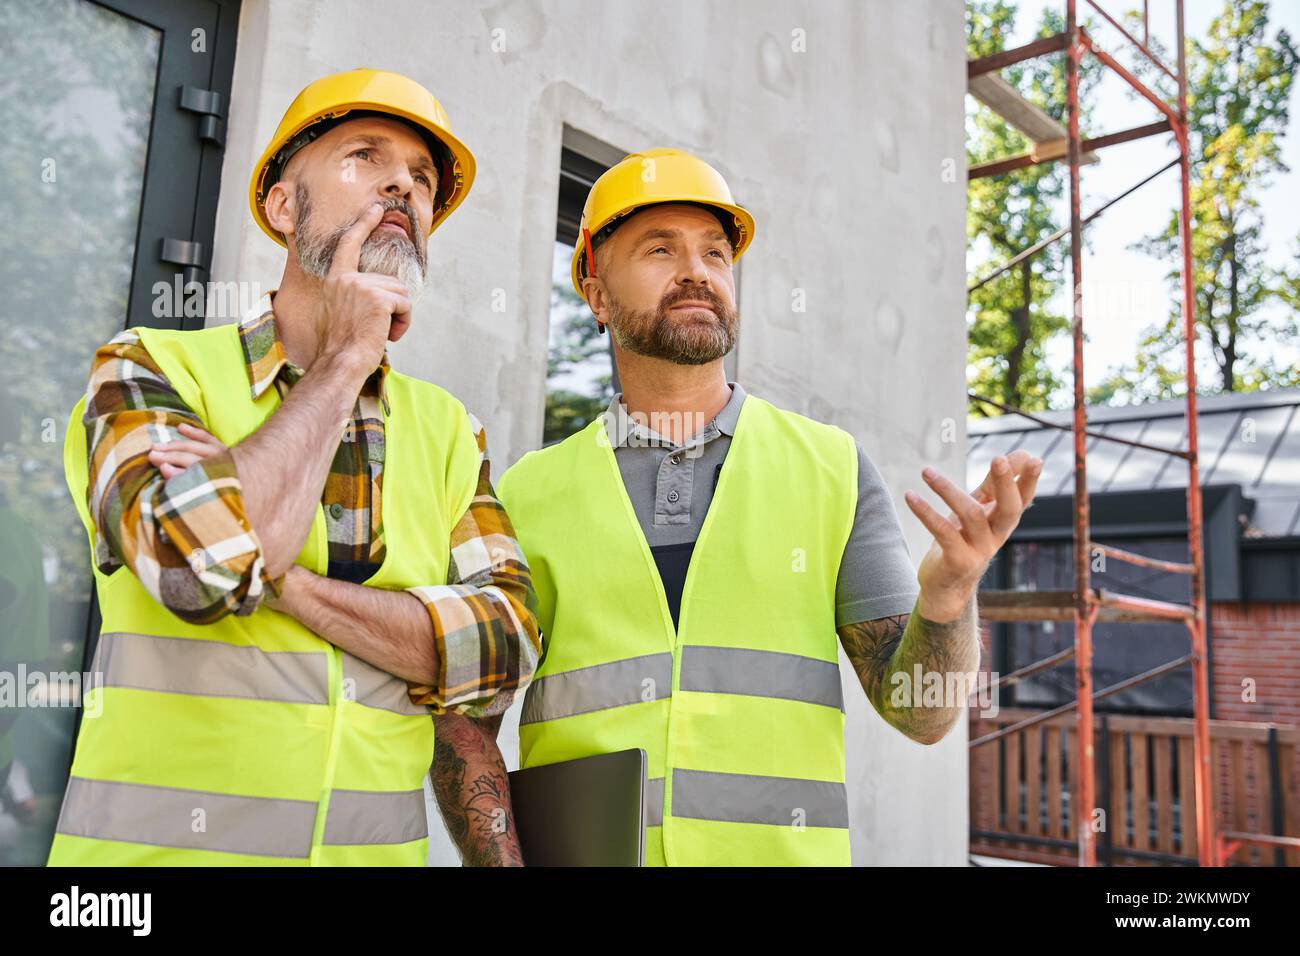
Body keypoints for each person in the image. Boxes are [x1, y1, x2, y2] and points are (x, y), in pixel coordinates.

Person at [467, 147, 1041, 866]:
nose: (697, 271)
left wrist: (950, 596)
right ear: (594, 287)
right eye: (659, 249)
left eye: (716, 252)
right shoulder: (524, 493)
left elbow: (921, 714)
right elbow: (469, 722)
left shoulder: (830, 468)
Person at [47, 69, 540, 866]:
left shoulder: (452, 431)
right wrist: (345, 361)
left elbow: (502, 653)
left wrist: (280, 579)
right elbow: (196, 570)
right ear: (283, 206)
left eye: (422, 178)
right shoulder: (148, 368)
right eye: (363, 156)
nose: (402, 186)